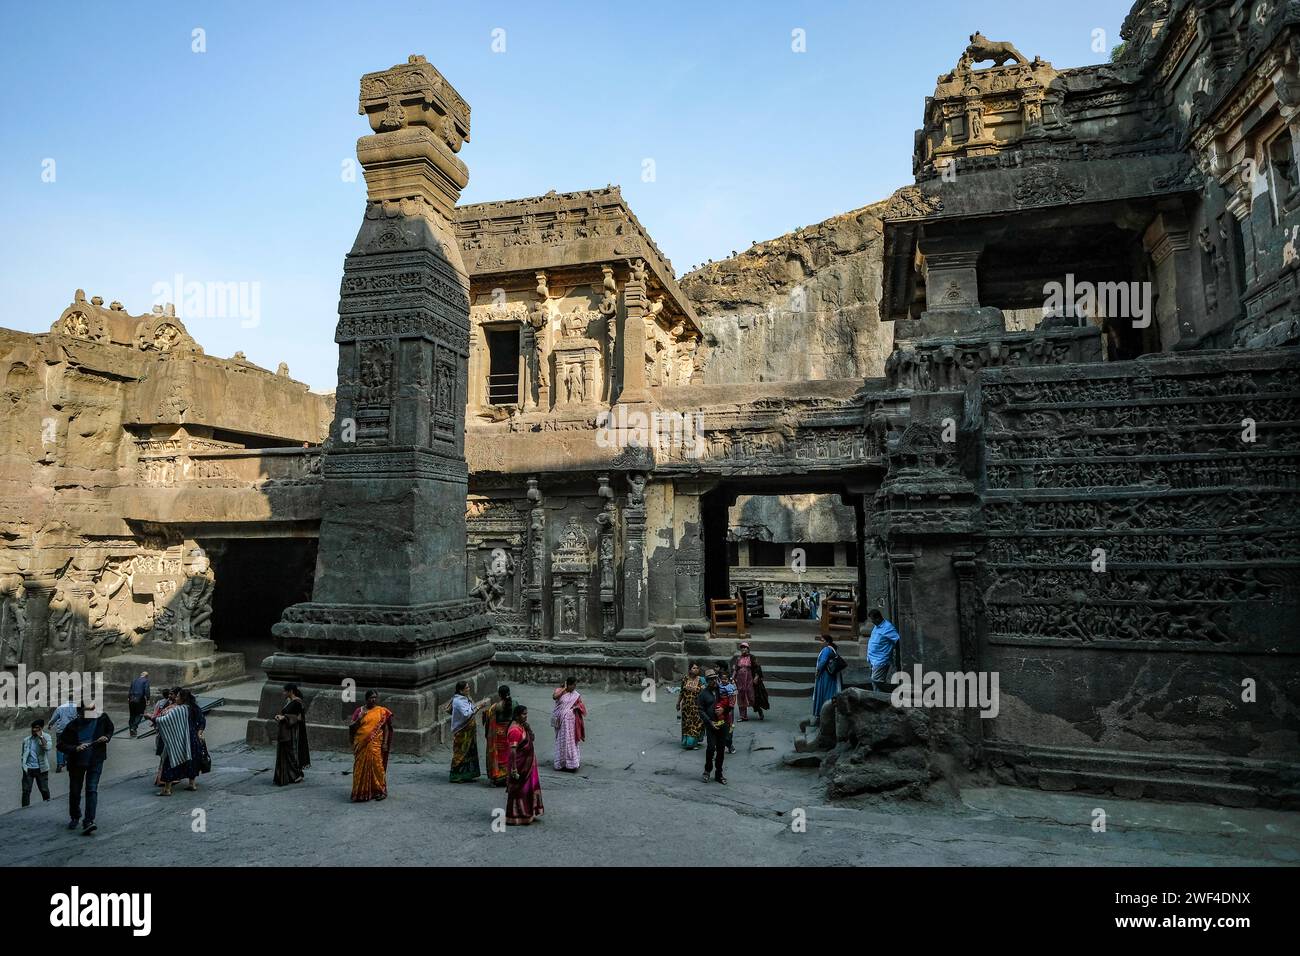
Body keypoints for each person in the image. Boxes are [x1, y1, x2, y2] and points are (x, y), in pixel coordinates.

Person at [57, 703, 114, 835]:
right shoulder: (73, 726)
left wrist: (107, 737)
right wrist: (75, 748)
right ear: (81, 713)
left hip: (96, 759)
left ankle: (88, 821)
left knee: (92, 789)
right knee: (75, 791)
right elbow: (60, 744)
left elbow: (110, 729)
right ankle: (75, 816)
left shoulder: (102, 718)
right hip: (77, 762)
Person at [153, 688, 207, 796]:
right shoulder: (193, 707)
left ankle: (167, 790)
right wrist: (199, 733)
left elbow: (164, 720)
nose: (175, 698)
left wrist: (153, 718)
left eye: (177, 696)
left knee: (171, 761)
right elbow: (202, 720)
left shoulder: (180, 709)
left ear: (183, 698)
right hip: (193, 739)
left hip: (180, 739)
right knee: (191, 761)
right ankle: (192, 784)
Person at [349, 690, 393, 802]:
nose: (373, 700)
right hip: (361, 744)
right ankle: (361, 793)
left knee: (377, 767)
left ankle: (380, 790)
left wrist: (385, 743)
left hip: (376, 744)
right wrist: (359, 718)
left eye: (375, 697)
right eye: (371, 698)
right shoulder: (359, 711)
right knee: (360, 768)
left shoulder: (381, 711)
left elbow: (386, 728)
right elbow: (351, 726)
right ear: (366, 699)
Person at [505, 704, 544, 826]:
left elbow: (531, 739)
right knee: (519, 791)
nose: (526, 716)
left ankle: (528, 812)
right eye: (524, 714)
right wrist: (514, 769)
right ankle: (517, 815)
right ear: (517, 716)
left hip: (528, 765)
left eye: (526, 714)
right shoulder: (514, 730)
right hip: (520, 767)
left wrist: (529, 728)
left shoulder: (522, 727)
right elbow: (513, 751)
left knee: (528, 790)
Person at [273, 683, 311, 785]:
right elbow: (285, 713)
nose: (283, 693)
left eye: (285, 691)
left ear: (291, 691)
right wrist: (280, 716)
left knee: (290, 753)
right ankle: (289, 776)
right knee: (285, 752)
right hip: (286, 730)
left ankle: (296, 775)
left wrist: (284, 718)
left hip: (293, 732)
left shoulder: (298, 702)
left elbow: (299, 718)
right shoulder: (288, 701)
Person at [447, 680, 484, 783]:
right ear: (461, 690)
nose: (469, 689)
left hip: (469, 730)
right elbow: (466, 714)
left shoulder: (465, 698)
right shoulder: (458, 701)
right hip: (462, 730)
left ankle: (466, 775)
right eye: (466, 688)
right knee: (460, 753)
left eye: (468, 687)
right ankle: (455, 775)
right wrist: (478, 707)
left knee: (468, 752)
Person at [697, 670, 728, 785]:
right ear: (707, 681)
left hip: (723, 724)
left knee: (721, 750)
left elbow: (729, 703)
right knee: (710, 748)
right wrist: (710, 722)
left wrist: (724, 709)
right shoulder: (703, 694)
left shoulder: (722, 690)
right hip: (711, 725)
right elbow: (700, 710)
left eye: (715, 678)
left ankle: (719, 774)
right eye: (711, 679)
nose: (713, 681)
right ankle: (707, 770)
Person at [550, 676, 586, 772]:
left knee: (570, 741)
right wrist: (564, 689)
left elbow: (581, 705)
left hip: (571, 723)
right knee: (561, 741)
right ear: (568, 684)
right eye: (573, 685)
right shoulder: (559, 690)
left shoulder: (575, 694)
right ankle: (561, 763)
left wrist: (577, 707)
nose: (574, 687)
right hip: (560, 722)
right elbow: (554, 697)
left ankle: (572, 763)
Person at [483, 684, 513, 787]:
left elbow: (488, 716)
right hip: (509, 732)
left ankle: (496, 776)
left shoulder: (495, 706)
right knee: (508, 754)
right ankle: (508, 776)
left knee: (497, 755)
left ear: (499, 694)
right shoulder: (515, 704)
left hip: (497, 733)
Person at [812, 634, 844, 726]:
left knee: (825, 693)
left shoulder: (826, 650)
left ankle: (822, 715)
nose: (821, 643)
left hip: (826, 676)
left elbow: (823, 662)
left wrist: (818, 671)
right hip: (830, 675)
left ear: (827, 642)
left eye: (822, 641)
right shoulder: (831, 649)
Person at [730, 642, 766, 722]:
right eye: (742, 647)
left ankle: (759, 710)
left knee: (751, 697)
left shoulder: (752, 657)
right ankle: (743, 716)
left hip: (749, 679)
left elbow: (757, 667)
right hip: (740, 680)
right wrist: (732, 677)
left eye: (745, 647)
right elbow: (736, 669)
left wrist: (756, 677)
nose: (743, 649)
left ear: (748, 649)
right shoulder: (739, 658)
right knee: (741, 697)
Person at [866, 609, 901, 691]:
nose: (872, 622)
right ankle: (878, 698)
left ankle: (892, 692)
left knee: (876, 681)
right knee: (874, 682)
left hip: (881, 660)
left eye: (873, 620)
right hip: (873, 659)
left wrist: (892, 653)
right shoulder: (876, 626)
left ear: (878, 618)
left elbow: (897, 640)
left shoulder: (888, 627)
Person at [20, 719, 52, 807]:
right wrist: (24, 766)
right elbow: (23, 754)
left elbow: (47, 747)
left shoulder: (47, 737)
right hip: (28, 769)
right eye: (33, 728)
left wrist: (41, 737)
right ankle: (24, 810)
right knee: (26, 791)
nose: (34, 730)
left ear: (41, 728)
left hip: (41, 769)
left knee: (44, 789)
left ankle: (48, 807)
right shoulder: (27, 740)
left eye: (37, 728)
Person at [676, 662, 704, 749]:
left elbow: (704, 693)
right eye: (694, 668)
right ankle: (687, 742)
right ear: (690, 670)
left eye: (697, 668)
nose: (696, 670)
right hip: (686, 707)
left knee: (696, 724)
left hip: (696, 706)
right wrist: (678, 703)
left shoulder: (701, 680)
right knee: (687, 724)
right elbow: (682, 692)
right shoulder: (685, 679)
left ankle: (693, 743)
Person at [48, 695, 77, 773]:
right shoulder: (77, 707)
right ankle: (68, 761)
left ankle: (60, 763)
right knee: (70, 745)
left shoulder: (60, 707)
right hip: (73, 730)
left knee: (60, 746)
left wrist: (50, 724)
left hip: (61, 730)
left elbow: (54, 717)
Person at [716, 662, 737, 754]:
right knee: (720, 727)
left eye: (718, 667)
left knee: (729, 727)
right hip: (719, 708)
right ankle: (720, 745)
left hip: (728, 710)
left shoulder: (731, 685)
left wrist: (729, 707)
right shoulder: (717, 683)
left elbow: (733, 698)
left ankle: (729, 744)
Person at [127, 670, 151, 737]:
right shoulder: (146, 681)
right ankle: (134, 728)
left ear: (141, 675)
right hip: (140, 700)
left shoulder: (134, 680)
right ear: (146, 676)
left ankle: (131, 728)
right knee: (139, 714)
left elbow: (130, 689)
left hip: (131, 699)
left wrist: (128, 697)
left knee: (132, 714)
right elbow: (146, 690)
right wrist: (148, 699)